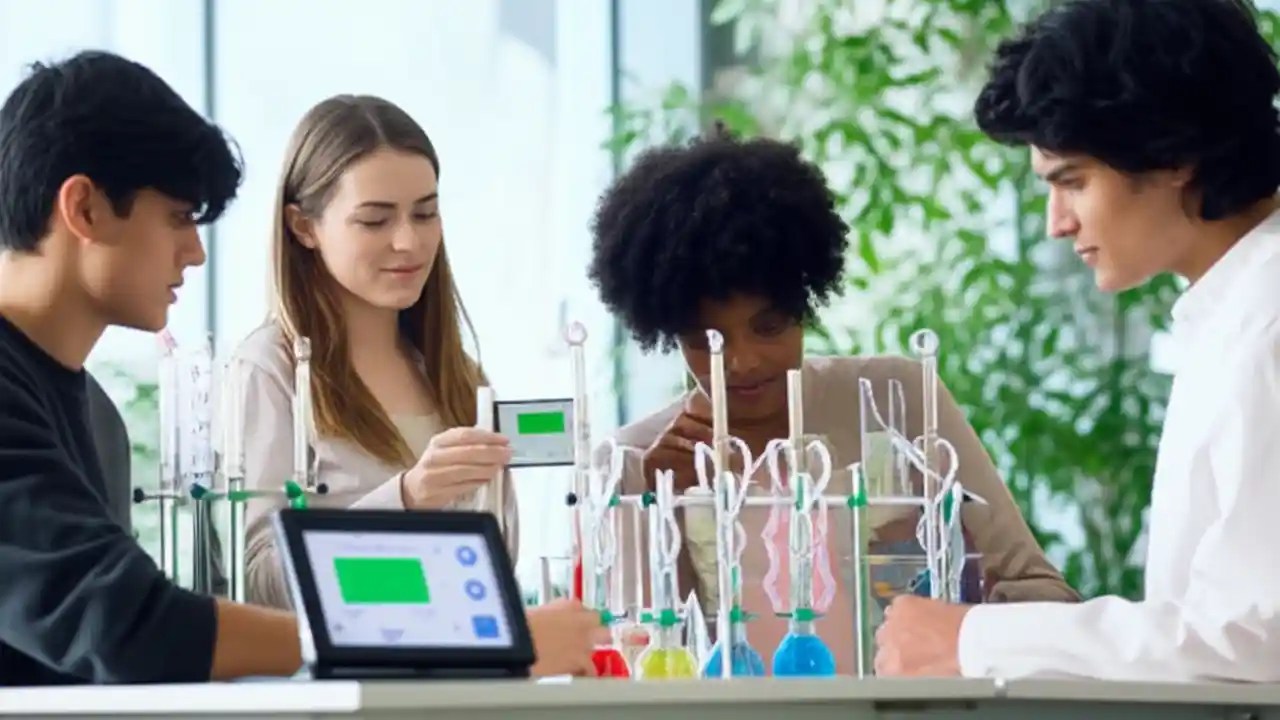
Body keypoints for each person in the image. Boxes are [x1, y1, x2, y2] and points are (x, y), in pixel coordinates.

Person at [874, 0, 1280, 682]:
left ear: (1173, 153)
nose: (1056, 224)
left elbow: (1257, 637)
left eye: (1072, 182)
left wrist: (977, 642)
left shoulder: (1268, 323)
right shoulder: (1231, 310)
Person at [586, 125, 1077, 675]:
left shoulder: (897, 398)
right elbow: (624, 660)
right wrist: (660, 511)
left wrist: (951, 596)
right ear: (665, 330)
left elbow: (1037, 590)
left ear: (806, 304)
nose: (743, 361)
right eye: (708, 342)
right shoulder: (633, 462)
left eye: (769, 327)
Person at [228, 94, 601, 673]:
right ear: (303, 227)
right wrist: (406, 498)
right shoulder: (270, 369)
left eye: (425, 213)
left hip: (462, 695)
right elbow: (256, 581)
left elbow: (492, 573)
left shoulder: (459, 377)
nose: (409, 241)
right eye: (375, 220)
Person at [0, 50, 304, 684]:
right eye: (177, 218)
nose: (193, 253)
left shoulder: (94, 413)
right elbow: (127, 627)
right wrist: (451, 640)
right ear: (83, 208)